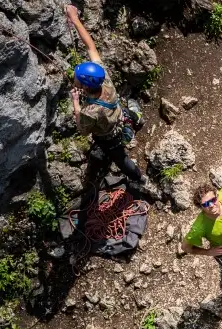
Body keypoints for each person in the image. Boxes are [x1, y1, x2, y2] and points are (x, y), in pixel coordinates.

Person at [65, 5, 146, 226]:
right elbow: (90, 46)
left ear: (84, 86)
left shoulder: (91, 110)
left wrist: (75, 103)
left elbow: (82, 129)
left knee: (120, 158)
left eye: (77, 79)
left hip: (108, 137)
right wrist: (75, 19)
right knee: (130, 112)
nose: (75, 78)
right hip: (120, 117)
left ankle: (140, 179)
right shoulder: (104, 78)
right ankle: (137, 118)